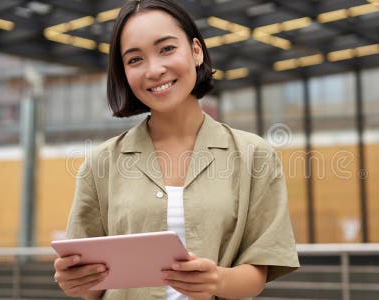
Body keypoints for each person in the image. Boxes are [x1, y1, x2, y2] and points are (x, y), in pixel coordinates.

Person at [52, 0, 299, 299]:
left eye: (167, 49)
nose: (154, 70)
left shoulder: (254, 155)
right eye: (134, 59)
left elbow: (258, 271)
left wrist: (216, 281)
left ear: (196, 51)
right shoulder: (100, 164)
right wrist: (76, 282)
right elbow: (91, 282)